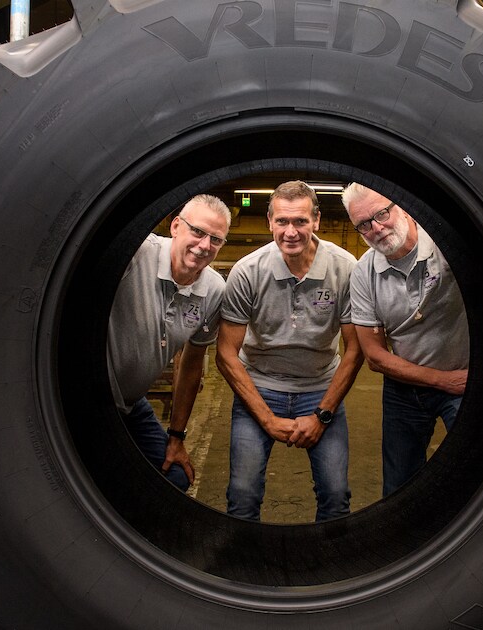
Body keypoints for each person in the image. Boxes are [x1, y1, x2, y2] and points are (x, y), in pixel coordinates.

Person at [217, 180, 363, 522]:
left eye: (299, 221)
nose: (290, 231)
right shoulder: (247, 272)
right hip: (260, 387)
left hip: (319, 389)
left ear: (316, 221)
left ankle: (330, 568)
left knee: (336, 495)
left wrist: (323, 414)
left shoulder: (345, 268)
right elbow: (225, 353)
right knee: (242, 494)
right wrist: (266, 419)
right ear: (270, 222)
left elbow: (356, 349)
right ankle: (242, 569)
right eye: (282, 221)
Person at [343, 183, 469, 496]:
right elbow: (374, 356)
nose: (376, 228)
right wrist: (442, 381)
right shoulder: (363, 274)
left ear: (403, 206)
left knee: (478, 470)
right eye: (363, 224)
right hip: (406, 389)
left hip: (465, 381)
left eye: (381, 213)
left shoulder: (445, 244)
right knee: (399, 486)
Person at [108, 194, 231, 491]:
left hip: (131, 404)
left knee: (176, 476)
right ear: (176, 226)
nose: (204, 246)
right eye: (198, 231)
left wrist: (177, 436)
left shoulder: (214, 290)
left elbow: (191, 364)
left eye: (216, 239)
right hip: (90, 398)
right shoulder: (135, 253)